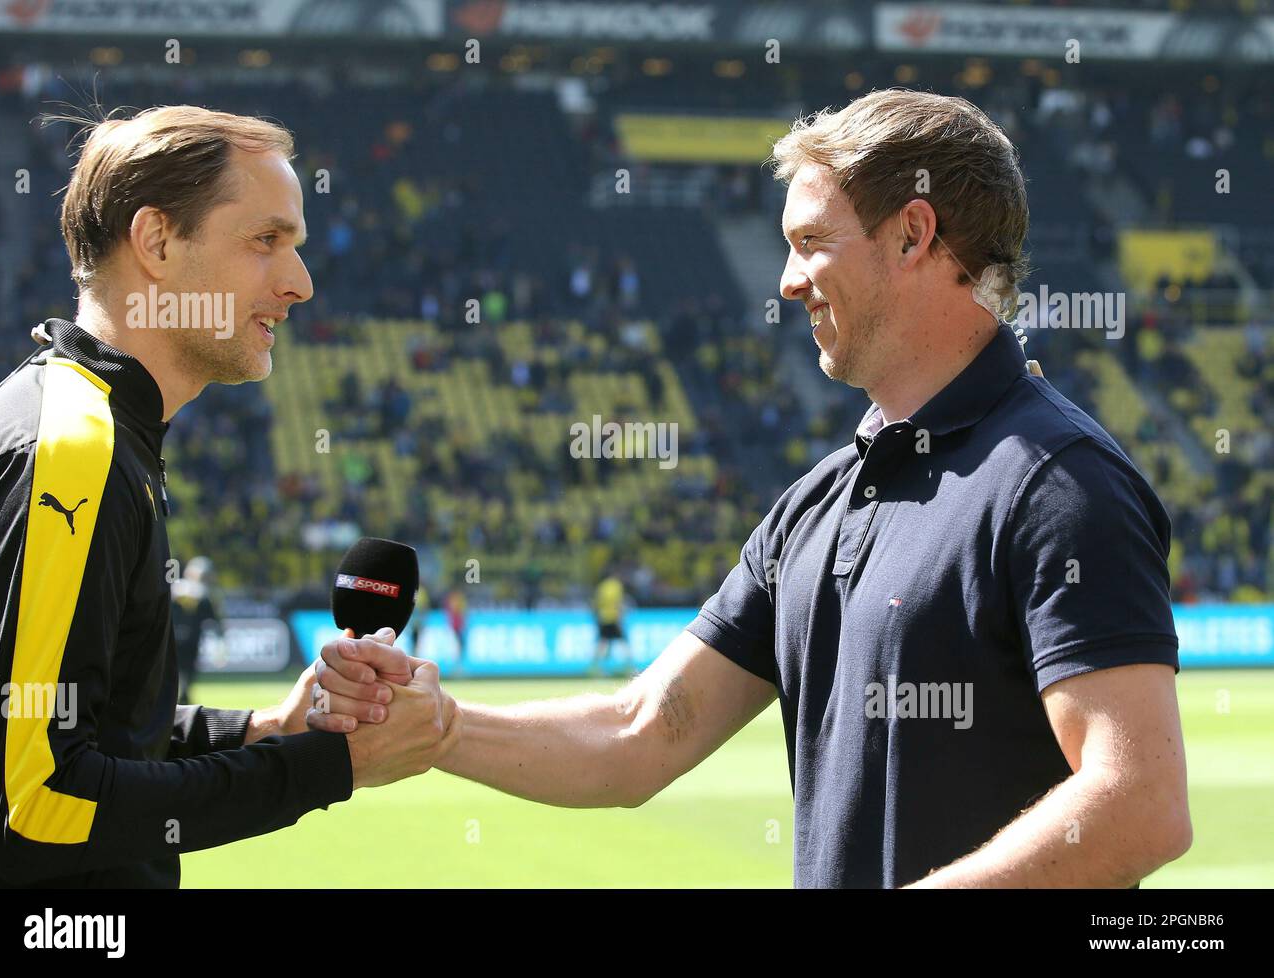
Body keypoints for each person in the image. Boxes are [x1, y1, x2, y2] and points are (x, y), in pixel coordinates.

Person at [313, 90, 1191, 888]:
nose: (787, 280)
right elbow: (640, 732)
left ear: (914, 233)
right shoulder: (820, 500)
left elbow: (1139, 802)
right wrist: (440, 724)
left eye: (812, 242)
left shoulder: (1061, 483)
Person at [0, 105, 457, 888]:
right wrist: (324, 767)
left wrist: (264, 730)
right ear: (157, 243)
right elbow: (37, 804)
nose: (299, 284)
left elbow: (77, 726)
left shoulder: (93, 430)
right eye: (266, 241)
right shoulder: (72, 452)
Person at [170, 556, 220, 704]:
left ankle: (180, 696)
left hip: (175, 638)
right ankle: (184, 696)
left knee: (175, 671)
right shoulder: (205, 594)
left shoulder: (174, 588)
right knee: (188, 671)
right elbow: (212, 619)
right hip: (192, 639)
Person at [591, 572, 627, 676]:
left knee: (603, 643)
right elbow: (619, 603)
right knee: (623, 643)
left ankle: (596, 668)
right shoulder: (617, 586)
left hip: (603, 618)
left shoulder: (602, 586)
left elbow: (596, 603)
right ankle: (629, 668)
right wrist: (620, 617)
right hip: (614, 618)